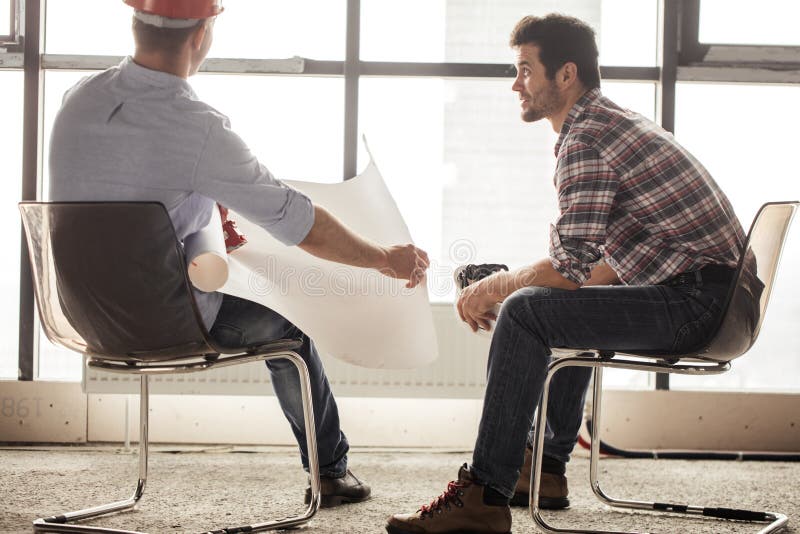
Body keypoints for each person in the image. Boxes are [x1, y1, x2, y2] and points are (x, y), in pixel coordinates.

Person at [48, 0, 430, 509]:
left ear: (135, 24)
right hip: (162, 324)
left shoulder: (79, 99)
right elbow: (300, 222)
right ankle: (330, 473)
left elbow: (116, 203)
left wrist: (202, 211)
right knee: (290, 335)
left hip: (80, 317)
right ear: (202, 34)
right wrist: (385, 257)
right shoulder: (197, 126)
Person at [386, 13, 746, 534]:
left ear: (566, 74)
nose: (516, 84)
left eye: (525, 70)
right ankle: (546, 470)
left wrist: (495, 287)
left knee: (528, 310)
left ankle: (485, 494)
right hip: (717, 302)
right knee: (550, 308)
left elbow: (568, 268)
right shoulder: (610, 123)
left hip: (700, 306)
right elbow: (596, 271)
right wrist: (520, 285)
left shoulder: (588, 139)